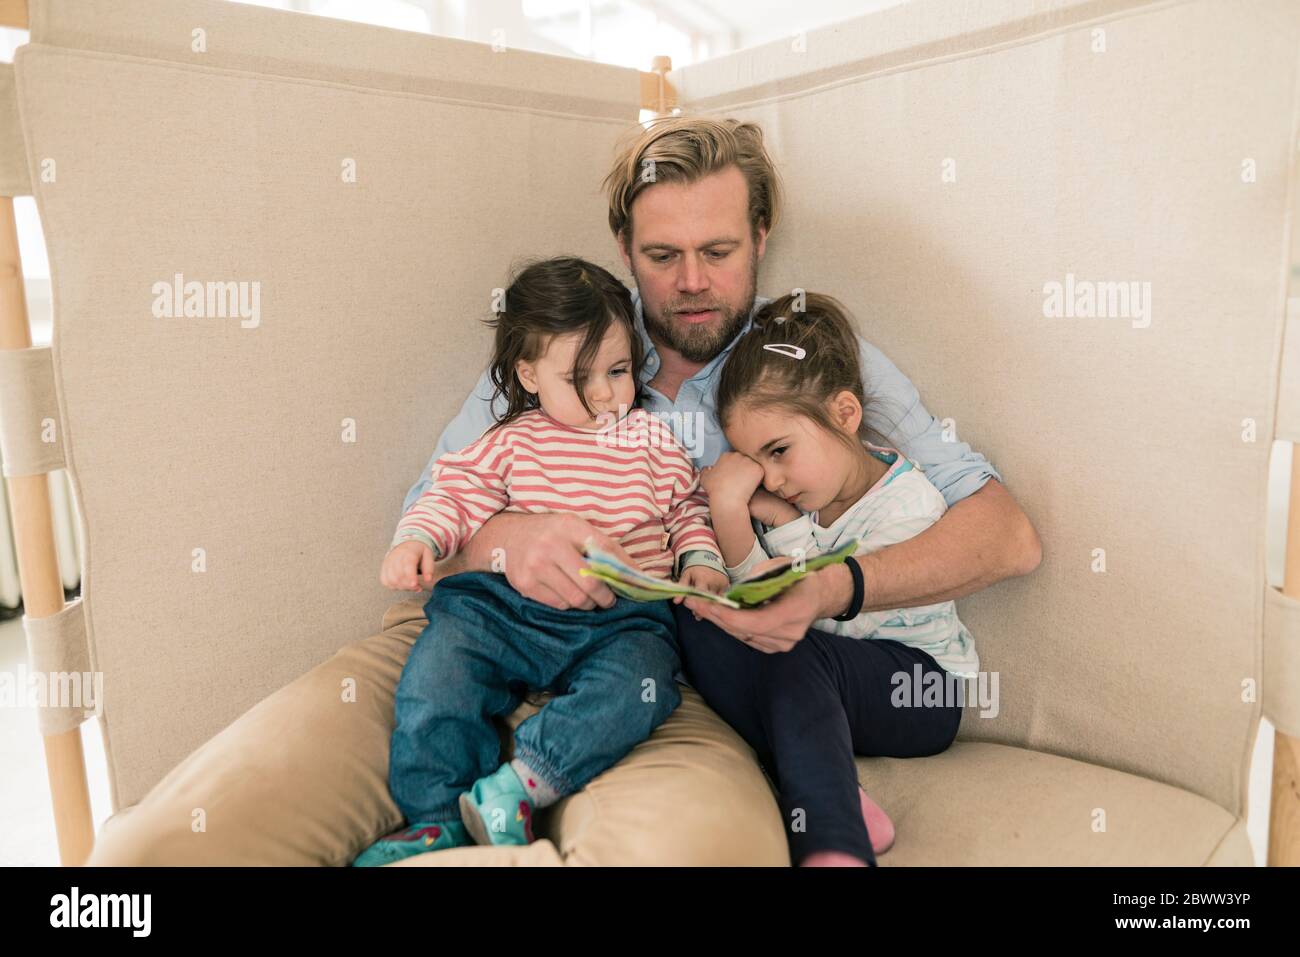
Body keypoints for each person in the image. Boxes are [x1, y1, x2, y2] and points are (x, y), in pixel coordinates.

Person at [402, 116, 1041, 866]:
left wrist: (836, 588)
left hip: (657, 679)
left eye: (719, 251)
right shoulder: (565, 342)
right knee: (261, 791)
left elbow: (1008, 536)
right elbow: (423, 528)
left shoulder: (803, 358)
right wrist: (508, 540)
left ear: (762, 237)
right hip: (487, 634)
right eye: (662, 255)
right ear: (624, 249)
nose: (692, 281)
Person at [353, 257, 728, 866]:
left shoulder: (653, 441)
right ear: (529, 374)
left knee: (645, 688)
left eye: (619, 370)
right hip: (502, 609)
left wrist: (700, 560)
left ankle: (519, 786)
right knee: (438, 675)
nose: (606, 393)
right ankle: (438, 817)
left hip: (620, 618)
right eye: (580, 377)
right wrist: (417, 543)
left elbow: (687, 508)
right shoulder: (511, 440)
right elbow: (453, 494)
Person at [691, 291, 978, 866]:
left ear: (845, 415)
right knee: (694, 619)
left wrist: (779, 529)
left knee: (793, 652)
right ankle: (828, 782)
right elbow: (768, 607)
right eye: (755, 462)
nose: (771, 479)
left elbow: (813, 613)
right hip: (819, 685)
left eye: (779, 451)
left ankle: (833, 846)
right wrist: (730, 521)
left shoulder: (907, 502)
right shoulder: (797, 502)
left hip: (918, 689)